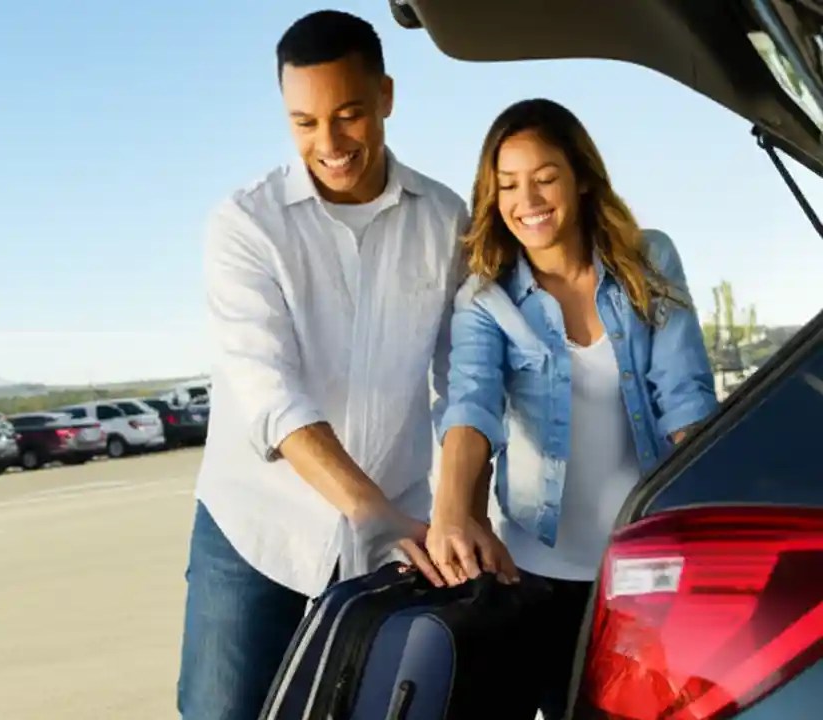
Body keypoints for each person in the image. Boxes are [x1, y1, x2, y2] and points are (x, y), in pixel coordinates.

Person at [176, 9, 470, 720]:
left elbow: (463, 379)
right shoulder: (245, 224)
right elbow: (270, 396)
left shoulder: (444, 218)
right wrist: (374, 513)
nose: (330, 143)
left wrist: (457, 509)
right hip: (257, 534)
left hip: (400, 527)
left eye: (349, 115)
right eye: (304, 123)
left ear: (387, 98)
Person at [425, 97, 719, 719]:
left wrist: (706, 530)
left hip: (647, 572)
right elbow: (471, 404)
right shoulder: (486, 298)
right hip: (539, 575)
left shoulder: (649, 260)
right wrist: (451, 511)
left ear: (580, 177)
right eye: (507, 185)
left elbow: (686, 399)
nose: (526, 200)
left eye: (545, 178)